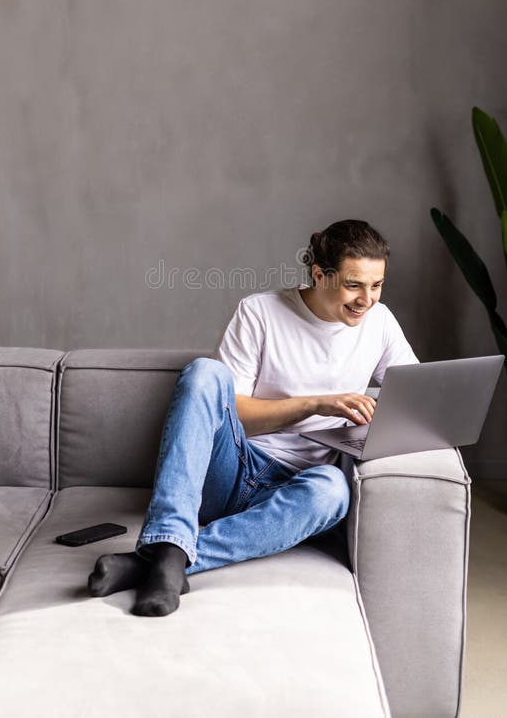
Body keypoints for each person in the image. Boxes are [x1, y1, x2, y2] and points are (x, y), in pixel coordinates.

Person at [87, 218, 418, 617]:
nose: (366, 299)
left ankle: (163, 559)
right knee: (205, 372)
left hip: (295, 488)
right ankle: (172, 538)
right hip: (232, 470)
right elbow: (236, 415)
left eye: (376, 285)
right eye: (354, 284)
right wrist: (317, 405)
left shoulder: (379, 323)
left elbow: (412, 395)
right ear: (319, 274)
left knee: (332, 491)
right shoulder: (260, 312)